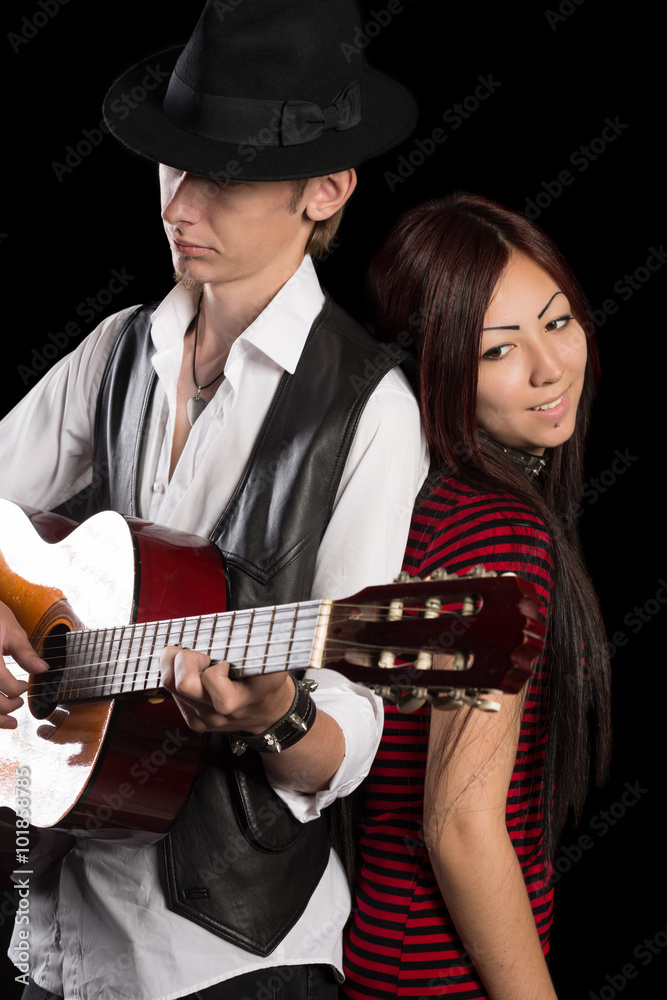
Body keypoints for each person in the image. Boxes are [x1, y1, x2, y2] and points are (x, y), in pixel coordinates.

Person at [0, 2, 429, 998]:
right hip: (48, 938)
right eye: (170, 164)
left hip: (228, 964)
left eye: (223, 177)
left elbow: (346, 728)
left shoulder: (370, 412)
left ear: (326, 189)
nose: (176, 205)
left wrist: (274, 715)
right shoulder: (111, 354)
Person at [341, 193, 612, 1000]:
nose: (548, 366)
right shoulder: (495, 533)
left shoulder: (426, 503)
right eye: (498, 350)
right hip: (431, 972)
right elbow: (458, 826)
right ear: (435, 365)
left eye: (557, 323)